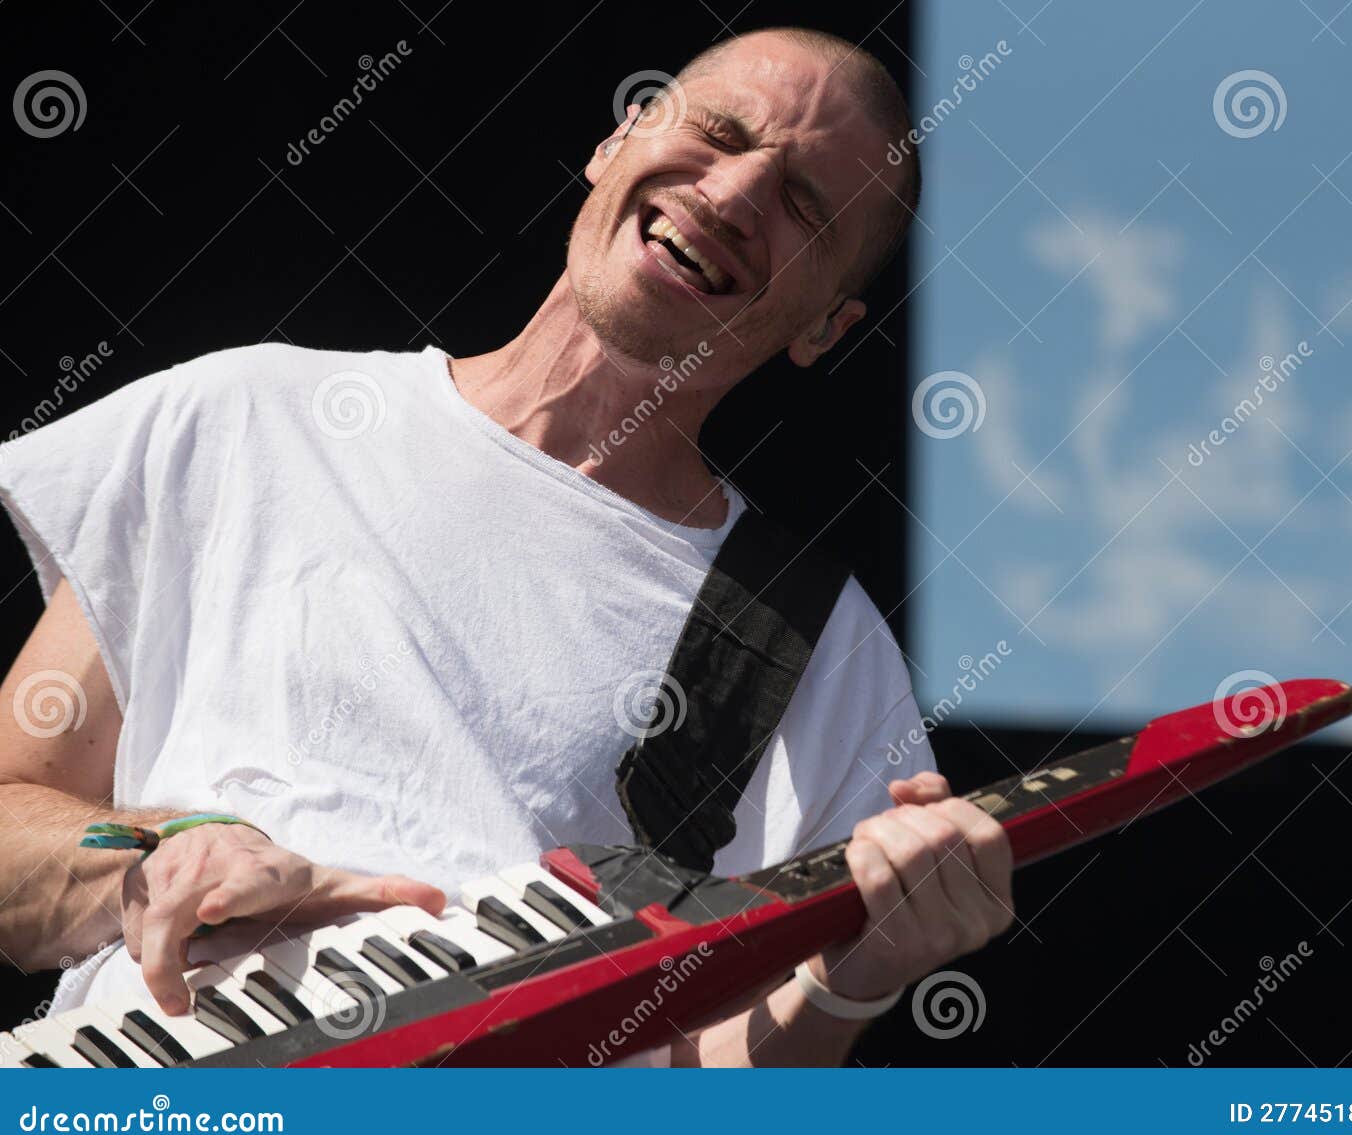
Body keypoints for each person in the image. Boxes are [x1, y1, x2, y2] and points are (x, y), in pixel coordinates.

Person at [0, 26, 1013, 1067]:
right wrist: (159, 858)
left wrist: (853, 982)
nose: (734, 193)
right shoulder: (245, 415)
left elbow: (712, 1089)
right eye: (716, 132)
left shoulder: (818, 644)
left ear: (824, 328)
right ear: (618, 140)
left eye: (805, 205)